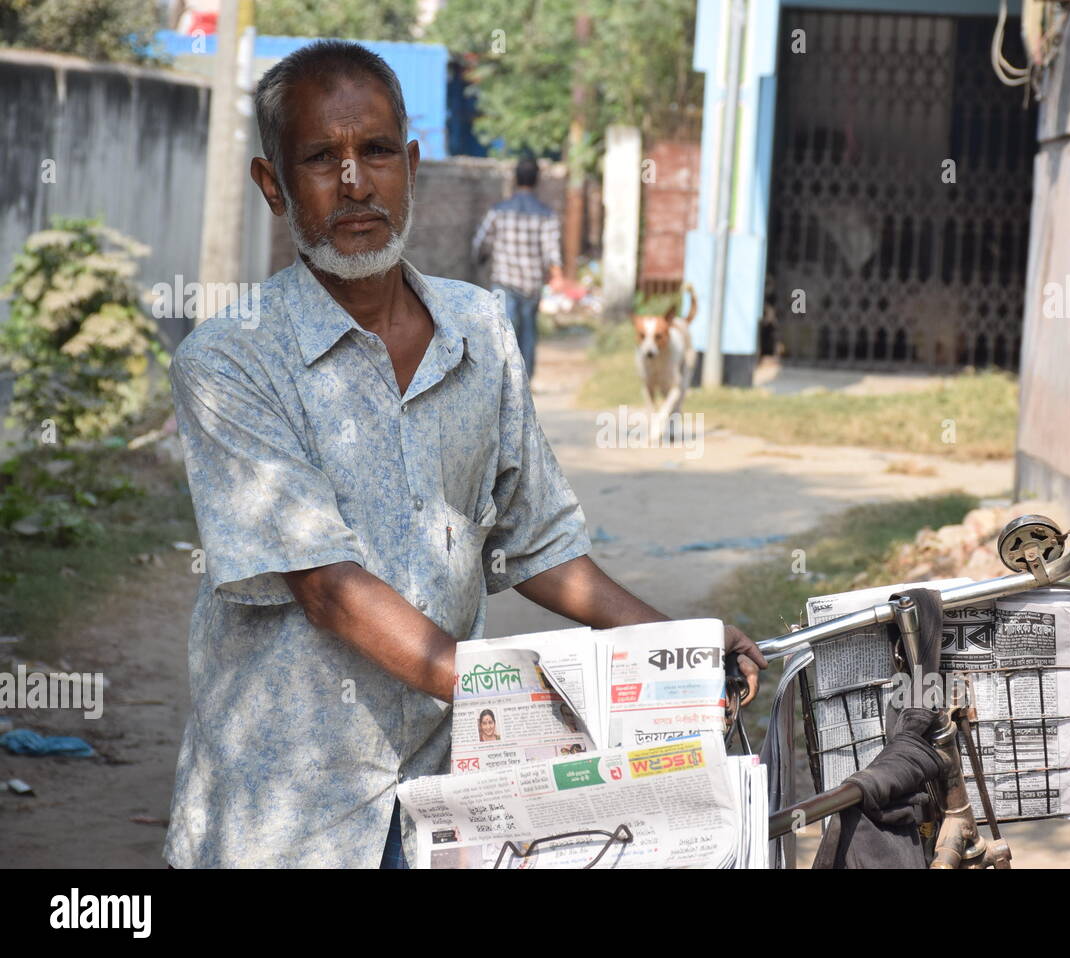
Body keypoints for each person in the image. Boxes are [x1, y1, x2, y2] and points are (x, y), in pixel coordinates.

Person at [162, 40, 765, 870]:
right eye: (318, 158)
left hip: (445, 803)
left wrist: (676, 645)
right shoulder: (229, 361)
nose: (353, 182)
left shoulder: (480, 332)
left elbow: (541, 547)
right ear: (273, 185)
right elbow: (328, 587)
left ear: (410, 165)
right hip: (286, 819)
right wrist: (503, 695)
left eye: (375, 151)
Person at [471, 156, 561, 378]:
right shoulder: (546, 214)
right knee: (529, 332)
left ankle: (505, 377)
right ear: (537, 180)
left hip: (504, 282)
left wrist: (480, 259)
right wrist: (556, 275)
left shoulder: (499, 210)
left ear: (515, 178)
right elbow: (552, 251)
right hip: (532, 284)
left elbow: (480, 242)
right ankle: (526, 380)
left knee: (503, 331)